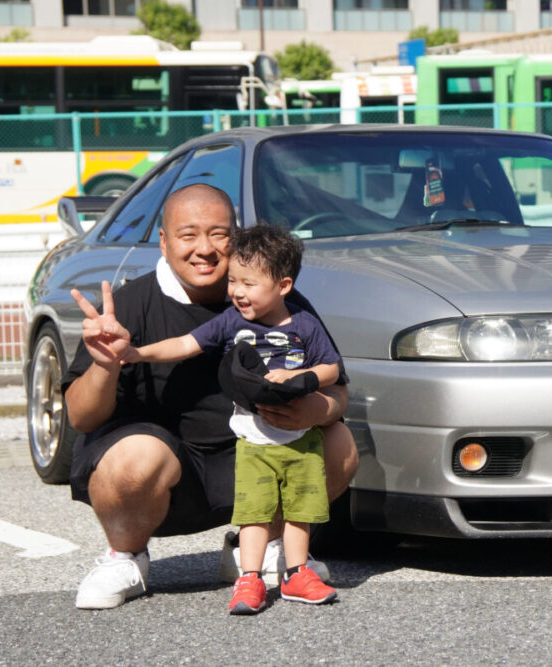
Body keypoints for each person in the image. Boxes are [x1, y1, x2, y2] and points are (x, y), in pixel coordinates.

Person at [63, 183, 358, 610]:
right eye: (188, 235)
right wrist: (111, 361)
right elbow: (81, 418)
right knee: (136, 458)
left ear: (236, 240)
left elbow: (338, 390)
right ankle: (125, 556)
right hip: (166, 472)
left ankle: (256, 549)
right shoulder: (131, 303)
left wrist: (316, 408)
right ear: (163, 242)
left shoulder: (280, 302)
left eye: (219, 234)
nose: (205, 248)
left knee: (340, 443)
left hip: (255, 453)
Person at [122, 224, 340, 614]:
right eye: (233, 281)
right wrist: (138, 353)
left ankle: (296, 574)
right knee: (255, 516)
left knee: (300, 512)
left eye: (249, 283)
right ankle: (249, 579)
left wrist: (298, 378)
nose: (237, 291)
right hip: (254, 442)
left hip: (302, 441)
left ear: (283, 285)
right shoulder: (230, 323)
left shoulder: (304, 324)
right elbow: (185, 345)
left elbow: (331, 369)